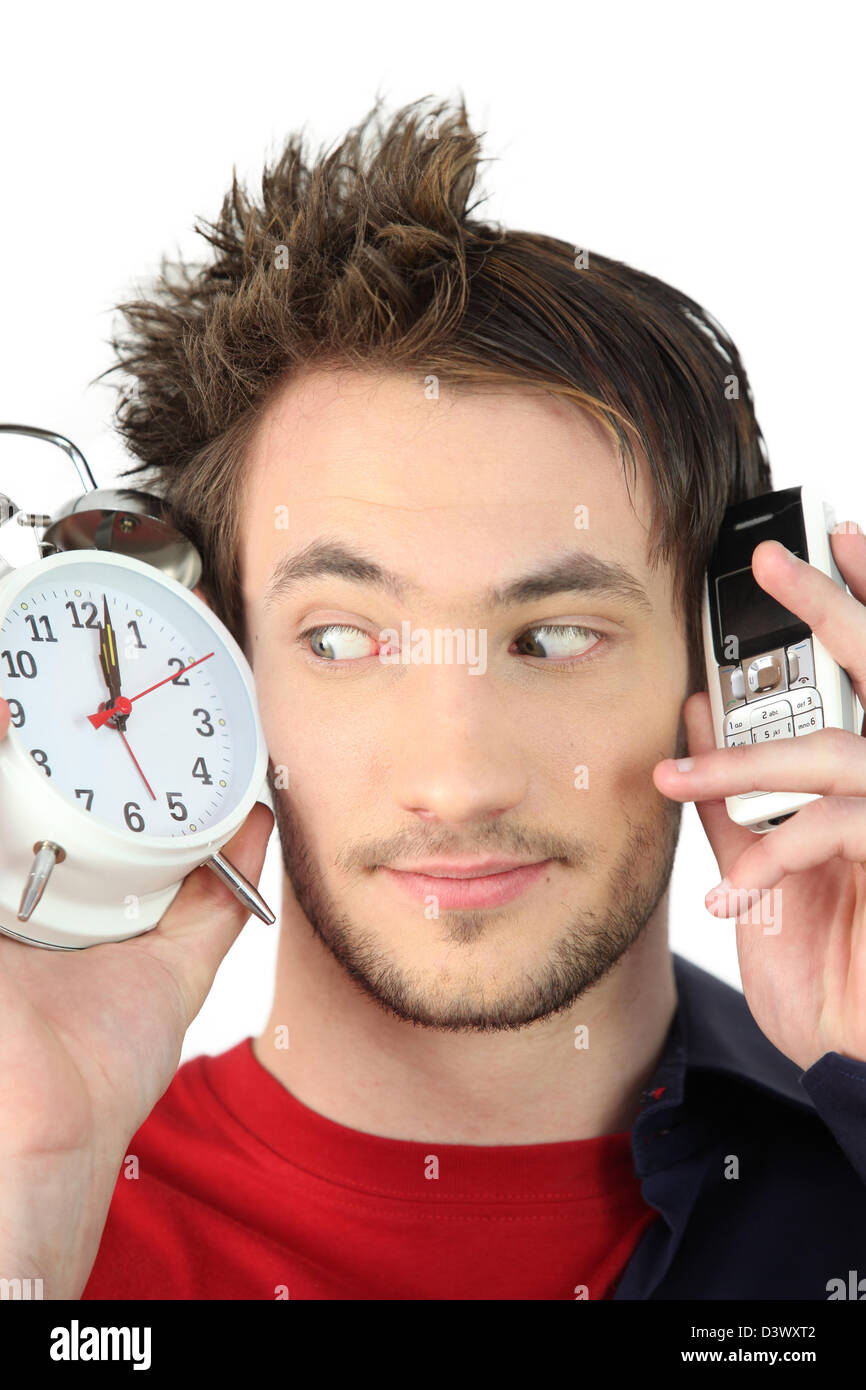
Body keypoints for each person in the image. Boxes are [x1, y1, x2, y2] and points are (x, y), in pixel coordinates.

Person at [4, 95, 866, 1302]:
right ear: (206, 666)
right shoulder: (53, 1215)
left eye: (555, 635)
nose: (455, 778)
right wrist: (29, 1201)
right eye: (345, 639)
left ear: (711, 663)